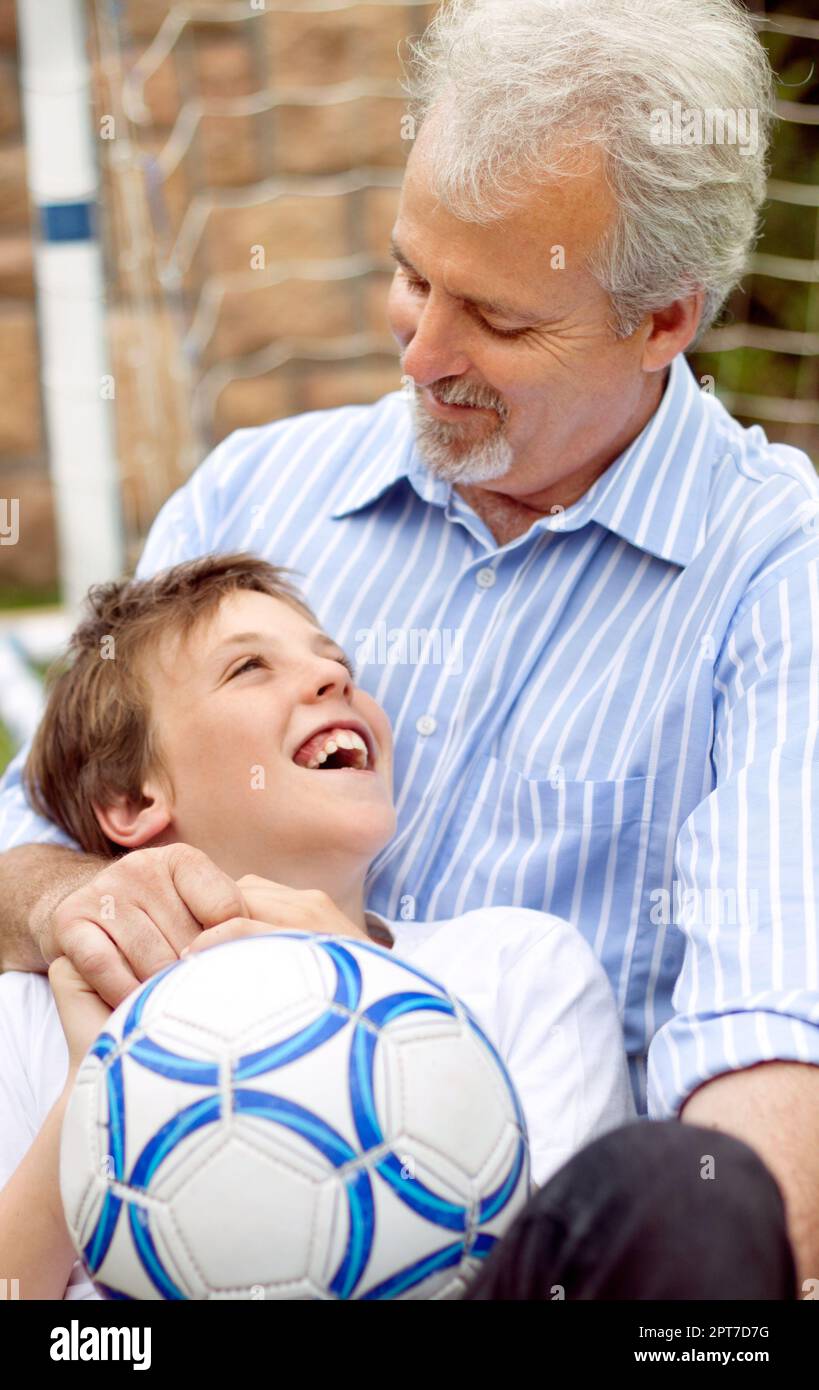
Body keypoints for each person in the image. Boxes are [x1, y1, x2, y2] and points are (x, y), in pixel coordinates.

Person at [1, 0, 817, 1293]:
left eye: (495, 319)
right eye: (410, 273)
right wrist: (79, 907)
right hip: (154, 1250)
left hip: (524, 1249)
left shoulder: (778, 574)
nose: (422, 350)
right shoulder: (253, 493)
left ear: (663, 319)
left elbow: (764, 1059)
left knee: (684, 1197)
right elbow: (29, 840)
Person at [0, 552, 635, 1299]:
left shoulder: (516, 969)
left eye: (338, 664)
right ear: (132, 802)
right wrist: (90, 1099)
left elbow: (552, 1281)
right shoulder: (39, 1014)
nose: (336, 679)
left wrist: (364, 993)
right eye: (248, 670)